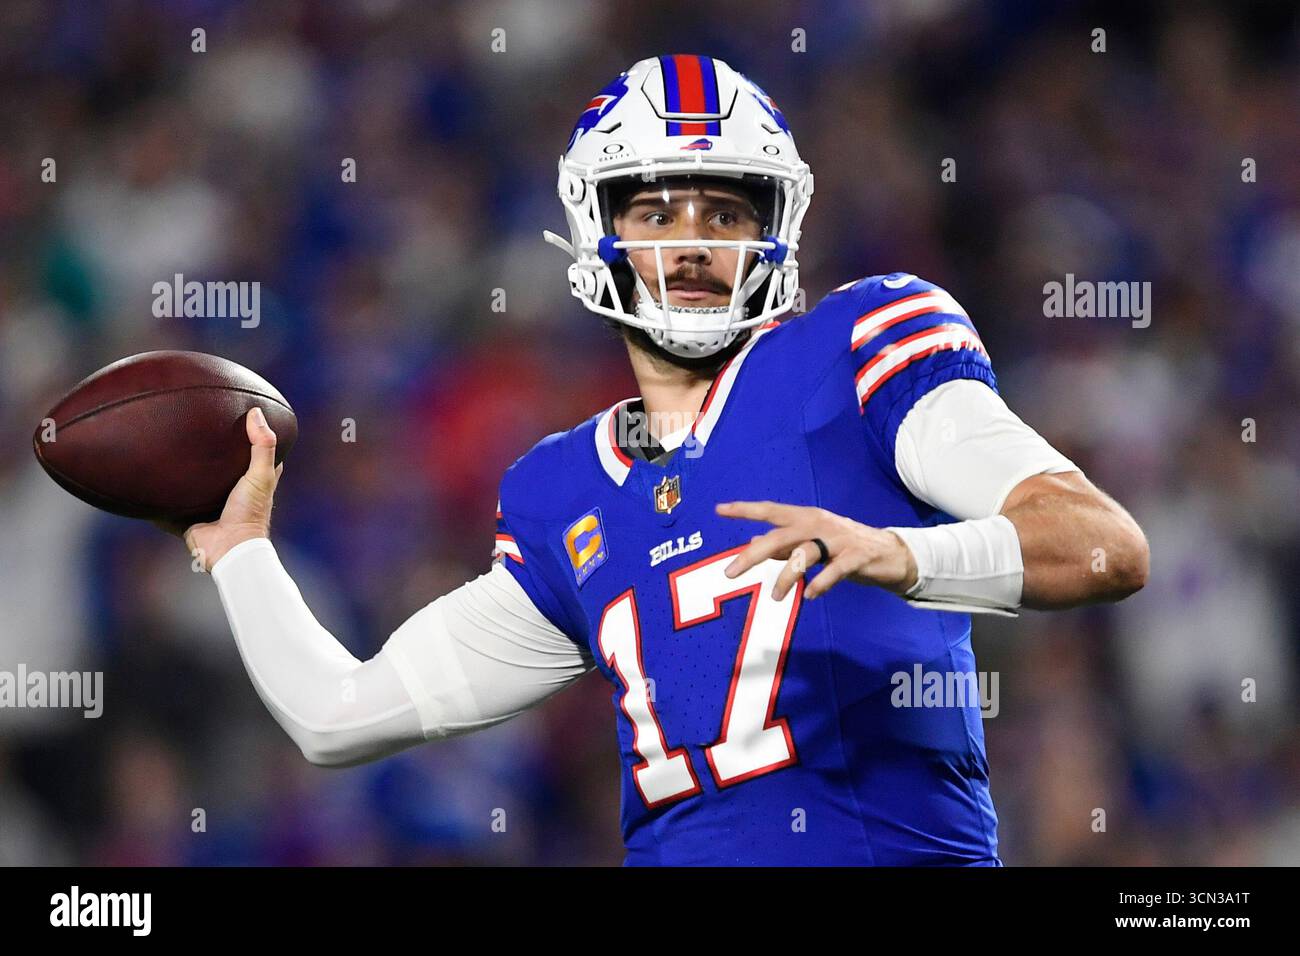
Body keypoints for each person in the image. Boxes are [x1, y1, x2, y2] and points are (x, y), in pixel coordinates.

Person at [175, 56, 1148, 865]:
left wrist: (905, 554)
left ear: (773, 230)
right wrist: (241, 550)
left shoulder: (861, 350)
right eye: (656, 213)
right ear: (598, 232)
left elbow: (1104, 546)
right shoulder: (564, 492)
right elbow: (337, 715)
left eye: (724, 214)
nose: (689, 244)